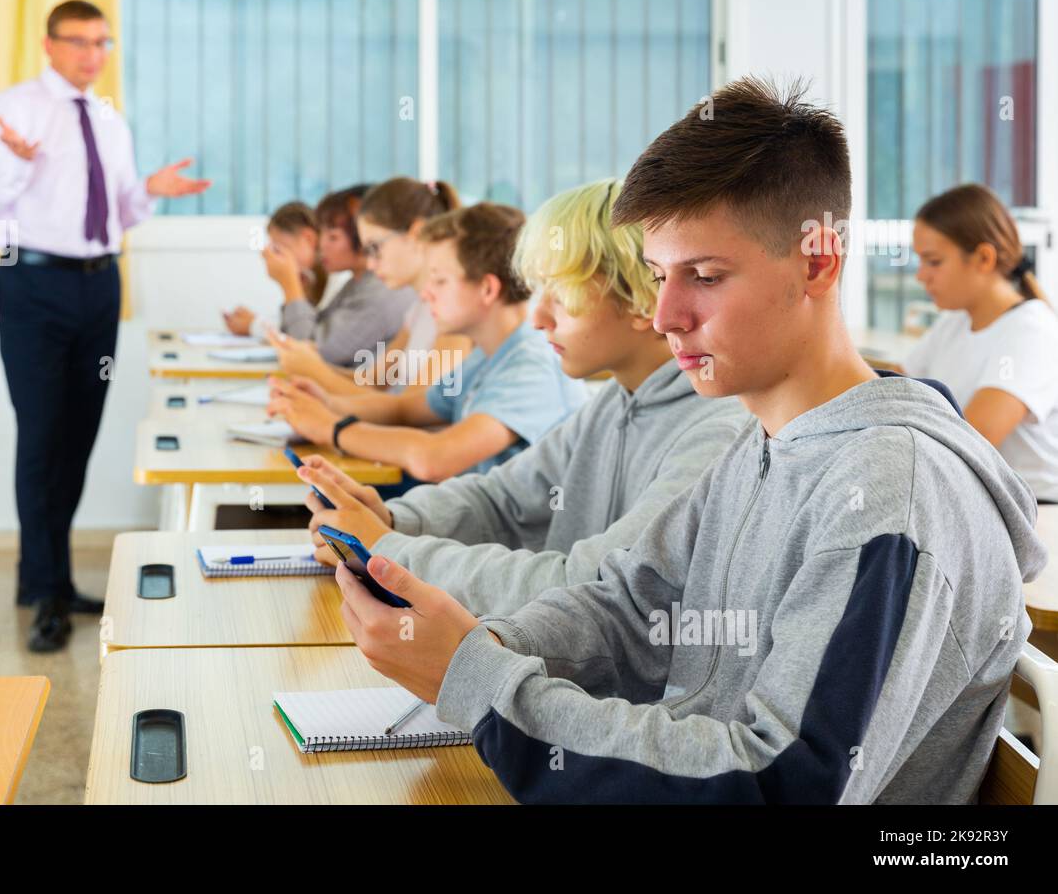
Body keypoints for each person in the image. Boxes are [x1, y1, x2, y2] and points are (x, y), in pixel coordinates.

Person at [327, 77, 1045, 803]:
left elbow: (784, 784)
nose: (665, 315)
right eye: (656, 276)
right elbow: (636, 609)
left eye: (703, 276)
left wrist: (483, 684)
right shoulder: (762, 440)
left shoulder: (889, 499)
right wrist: (492, 649)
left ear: (817, 264)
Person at [293, 178, 747, 615]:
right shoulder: (614, 400)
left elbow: (588, 583)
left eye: (562, 294)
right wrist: (393, 520)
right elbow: (501, 500)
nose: (539, 318)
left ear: (642, 296)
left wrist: (388, 549)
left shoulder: (712, 432)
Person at [0, 0, 211, 652]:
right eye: (79, 42)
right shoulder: (9, 110)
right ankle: (45, 590)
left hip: (101, 285)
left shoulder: (108, 119)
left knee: (78, 435)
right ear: (49, 45)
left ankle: (48, 576)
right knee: (41, 436)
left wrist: (150, 188)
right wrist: (20, 159)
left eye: (103, 42)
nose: (92, 55)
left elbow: (119, 211)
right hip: (34, 285)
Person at [268, 203, 586, 482]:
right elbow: (404, 408)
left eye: (440, 280)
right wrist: (325, 402)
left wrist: (331, 428)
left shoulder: (531, 365)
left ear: (487, 290)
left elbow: (434, 459)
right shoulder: (489, 356)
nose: (425, 293)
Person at [903, 183, 1058, 503]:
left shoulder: (1031, 332)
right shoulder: (955, 323)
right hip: (977, 501)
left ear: (984, 258)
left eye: (933, 261)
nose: (921, 276)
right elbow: (894, 386)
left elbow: (971, 441)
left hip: (1035, 514)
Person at [268, 176, 470, 397]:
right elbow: (373, 381)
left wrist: (315, 370)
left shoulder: (453, 317)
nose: (371, 264)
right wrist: (310, 367)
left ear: (416, 234)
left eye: (375, 248)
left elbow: (410, 410)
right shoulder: (419, 309)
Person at [254, 184, 416, 367]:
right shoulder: (355, 284)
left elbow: (311, 353)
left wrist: (290, 285)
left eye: (333, 237)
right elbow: (301, 337)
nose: (321, 245)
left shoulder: (380, 292)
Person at [222, 201, 335, 338]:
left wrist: (253, 325)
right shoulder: (309, 278)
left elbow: (306, 337)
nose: (275, 257)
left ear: (308, 238)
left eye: (279, 248)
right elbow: (292, 325)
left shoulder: (337, 280)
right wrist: (253, 322)